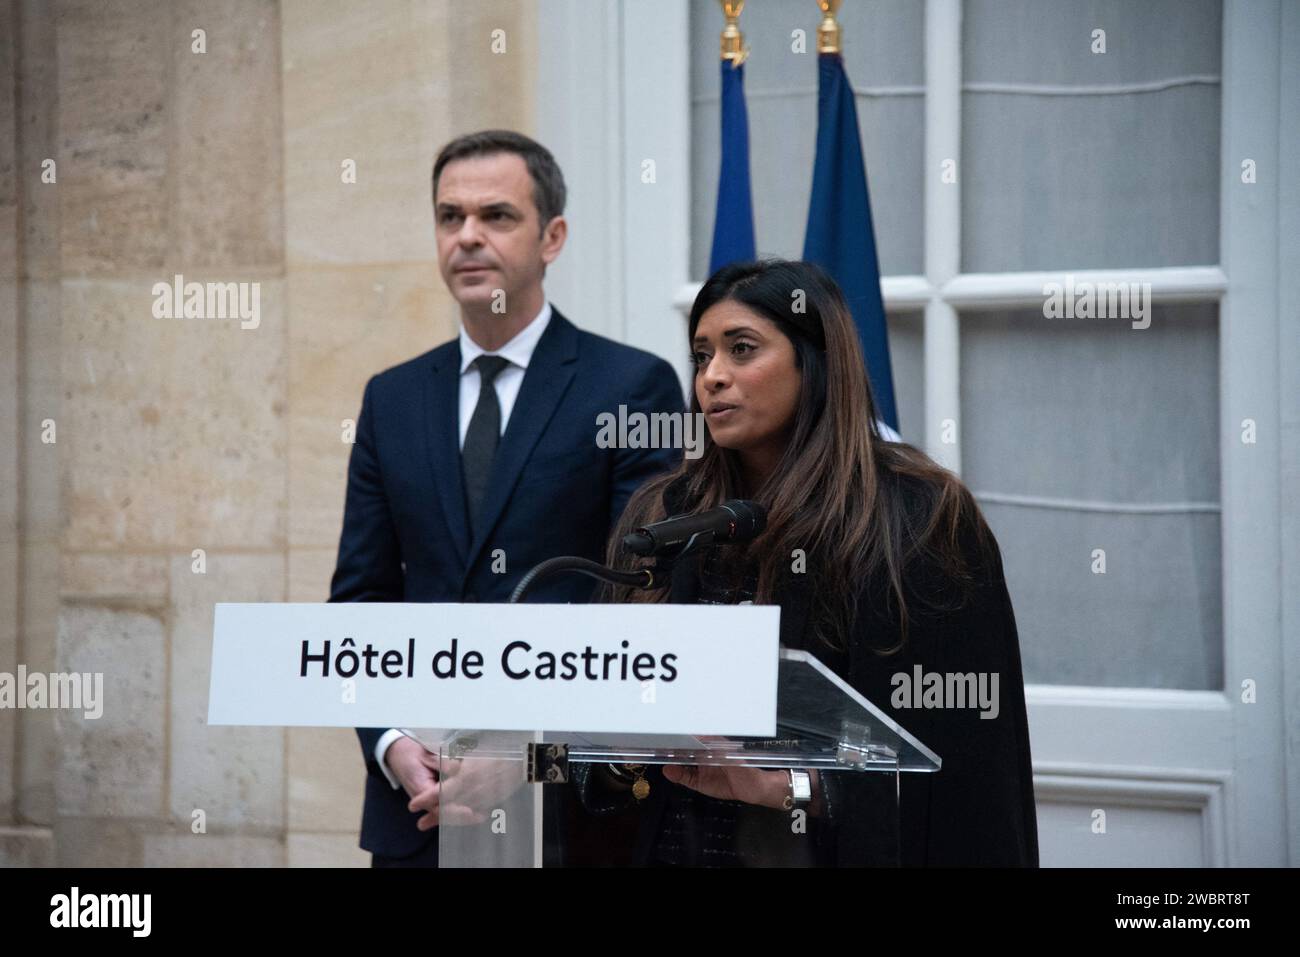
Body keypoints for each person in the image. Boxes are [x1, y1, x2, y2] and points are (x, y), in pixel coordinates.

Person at [577, 258, 1039, 866]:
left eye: (741, 349)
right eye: (701, 356)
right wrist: (619, 753)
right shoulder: (664, 516)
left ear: (814, 363)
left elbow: (959, 764)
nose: (713, 376)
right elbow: (605, 756)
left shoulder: (917, 517)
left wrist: (788, 787)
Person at [328, 130, 684, 867]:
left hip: (572, 813)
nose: (467, 237)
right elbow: (362, 600)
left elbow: (642, 606)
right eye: (449, 216)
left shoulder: (635, 386)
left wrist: (527, 751)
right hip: (419, 809)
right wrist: (392, 743)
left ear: (552, 236)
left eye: (496, 215)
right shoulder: (391, 398)